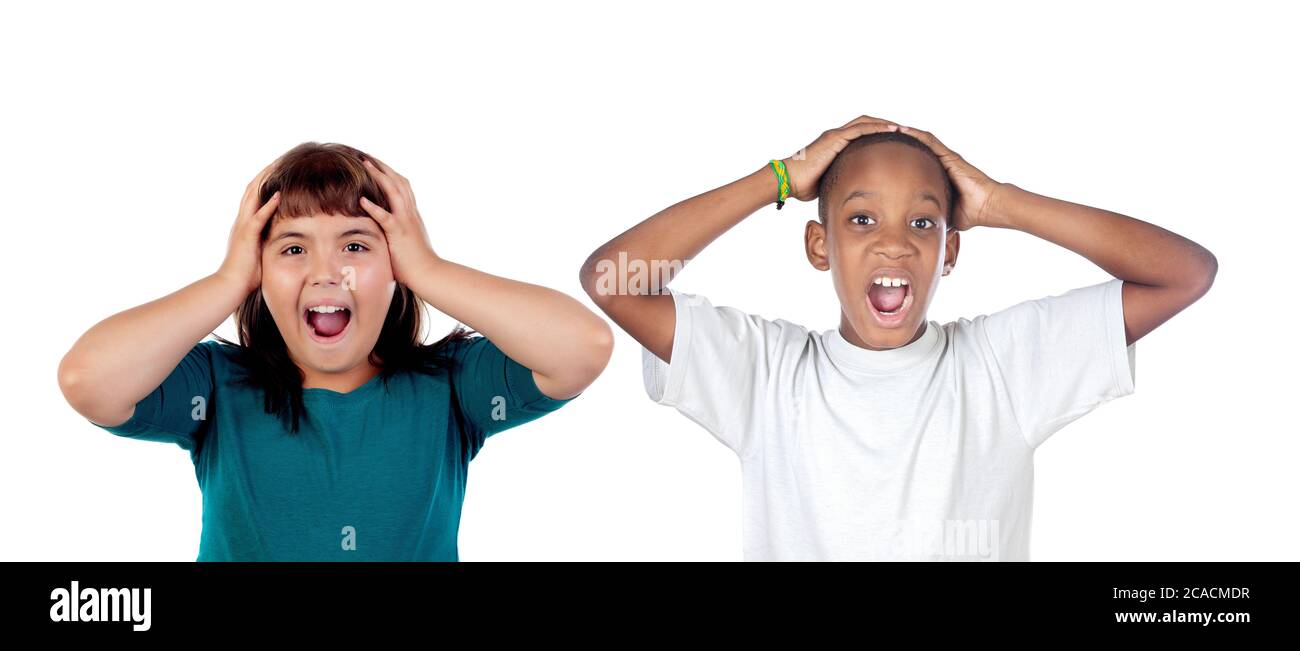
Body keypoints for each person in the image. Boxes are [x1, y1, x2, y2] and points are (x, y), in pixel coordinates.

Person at [580, 115, 1217, 561]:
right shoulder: (767, 375)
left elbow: (1184, 274)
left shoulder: (1004, 366)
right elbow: (612, 280)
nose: (894, 242)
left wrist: (1000, 202)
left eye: (922, 221)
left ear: (950, 251)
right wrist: (777, 178)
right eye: (861, 219)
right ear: (819, 245)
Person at [59, 142, 613, 561]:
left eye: (355, 245)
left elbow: (581, 347)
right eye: (293, 248)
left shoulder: (450, 386)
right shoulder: (216, 387)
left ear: (394, 264)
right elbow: (88, 380)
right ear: (259, 272)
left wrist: (428, 269)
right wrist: (227, 280)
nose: (327, 271)